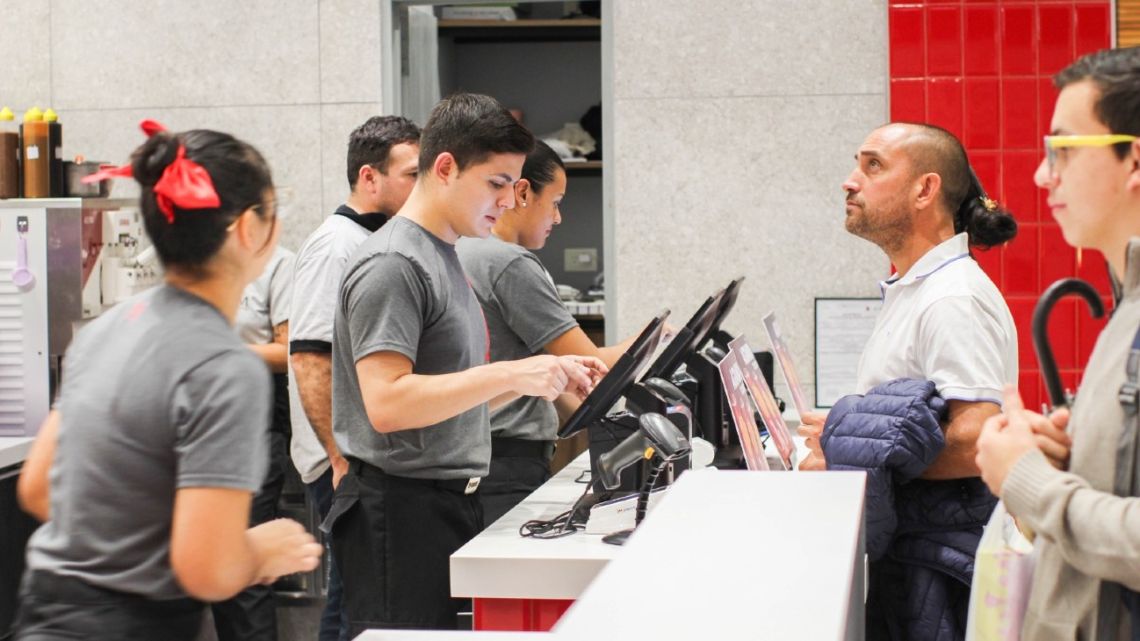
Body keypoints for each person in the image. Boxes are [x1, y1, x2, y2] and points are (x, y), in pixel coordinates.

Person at [13, 122, 322, 640]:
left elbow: (40, 487)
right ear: (248, 229)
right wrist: (259, 550)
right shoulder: (225, 367)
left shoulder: (106, 328)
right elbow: (207, 569)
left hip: (45, 614)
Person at [325, 93, 605, 635]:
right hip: (398, 513)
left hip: (447, 502)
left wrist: (535, 384)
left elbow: (450, 398)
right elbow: (386, 403)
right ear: (446, 167)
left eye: (516, 185)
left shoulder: (444, 254)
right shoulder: (392, 262)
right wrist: (508, 373)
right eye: (497, 183)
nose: (508, 201)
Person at [976, 46, 1140, 641]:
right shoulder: (1127, 302)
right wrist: (1071, 459)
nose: (1043, 174)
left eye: (1063, 149)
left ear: (1134, 160)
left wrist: (1029, 480)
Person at [800, 122, 1020, 479]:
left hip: (950, 535)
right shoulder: (920, 287)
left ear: (925, 190)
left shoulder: (953, 298)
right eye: (858, 163)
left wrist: (850, 456)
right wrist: (850, 433)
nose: (850, 181)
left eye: (874, 165)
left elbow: (975, 441)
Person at [456, 140, 645, 525]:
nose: (558, 218)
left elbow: (562, 381)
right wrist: (649, 341)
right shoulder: (506, 262)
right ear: (523, 193)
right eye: (555, 202)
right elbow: (589, 363)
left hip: (485, 454)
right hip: (506, 460)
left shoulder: (468, 250)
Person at [289, 114, 420, 641]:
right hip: (342, 463)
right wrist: (339, 461)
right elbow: (309, 359)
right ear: (370, 178)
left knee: (357, 601)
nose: (422, 186)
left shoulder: (378, 240)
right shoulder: (336, 246)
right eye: (411, 173)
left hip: (364, 457)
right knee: (354, 608)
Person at [211, 243, 294, 641]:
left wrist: (220, 353)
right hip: (203, 423)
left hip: (257, 423)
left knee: (242, 568)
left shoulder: (278, 263)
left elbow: (290, 350)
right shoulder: (199, 259)